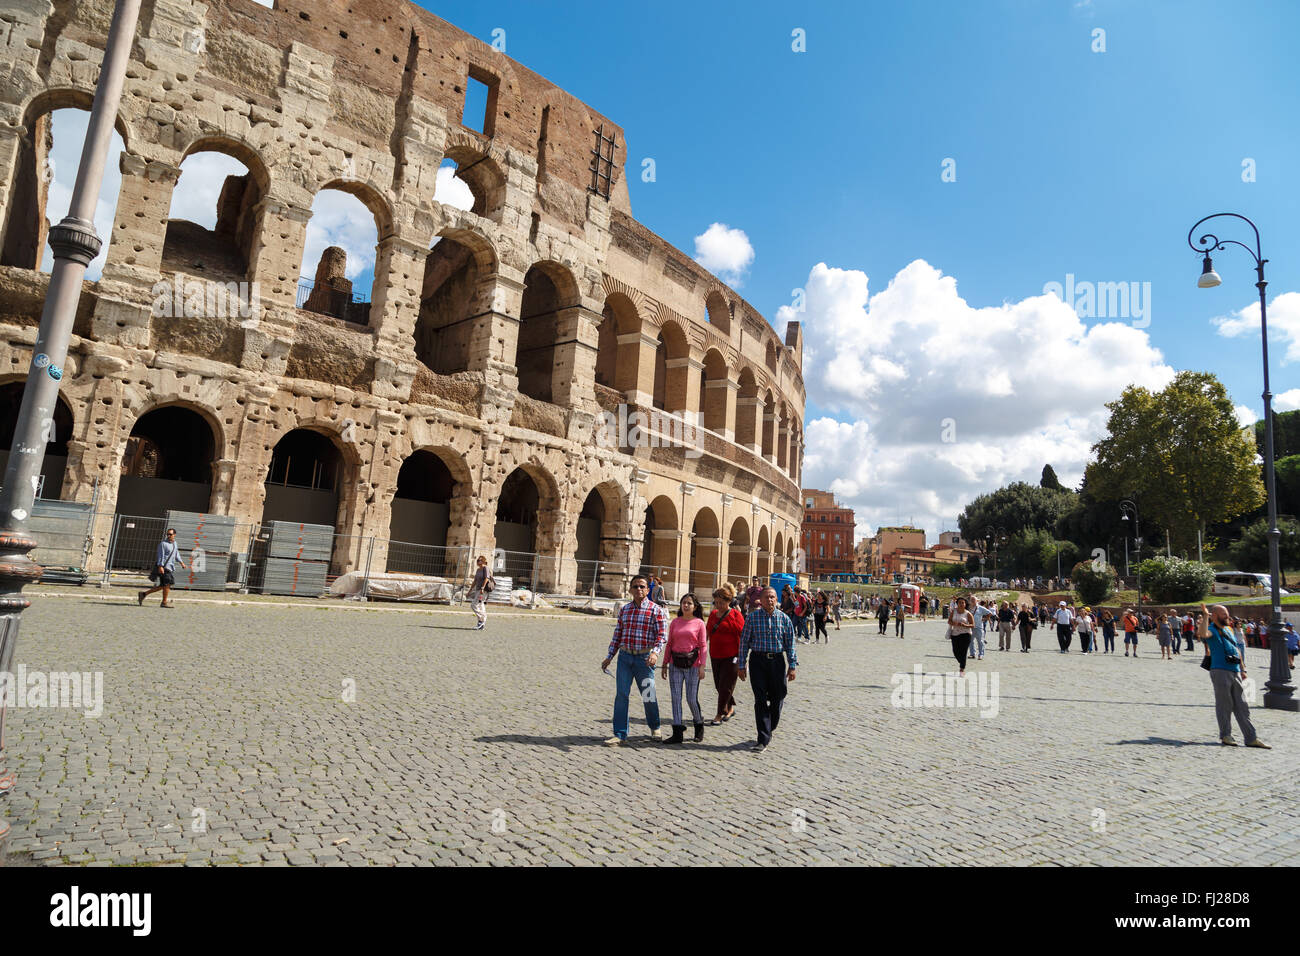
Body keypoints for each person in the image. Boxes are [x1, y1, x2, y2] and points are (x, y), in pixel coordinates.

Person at [600, 576, 668, 746]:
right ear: (630, 589)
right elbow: (618, 634)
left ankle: (655, 726)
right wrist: (610, 656)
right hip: (625, 658)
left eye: (642, 586)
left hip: (644, 659)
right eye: (635, 586)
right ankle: (620, 733)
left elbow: (662, 636)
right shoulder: (625, 610)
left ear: (648, 589)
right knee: (622, 695)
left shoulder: (656, 610)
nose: (639, 589)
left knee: (648, 694)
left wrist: (655, 653)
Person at [1198, 602, 1269, 748]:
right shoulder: (1212, 629)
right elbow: (1202, 634)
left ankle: (1251, 738)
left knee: (1242, 705)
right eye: (1224, 614)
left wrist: (1243, 670)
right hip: (1220, 670)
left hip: (1235, 670)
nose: (1228, 616)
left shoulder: (1229, 629)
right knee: (1224, 704)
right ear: (1215, 615)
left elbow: (1236, 650)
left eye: (1227, 613)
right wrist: (1205, 616)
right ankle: (1226, 735)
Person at [737, 586, 798, 753]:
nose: (770, 600)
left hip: (777, 662)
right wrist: (742, 664)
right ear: (760, 600)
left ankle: (770, 725)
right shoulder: (752, 618)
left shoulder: (784, 619)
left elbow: (790, 644)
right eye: (766, 597)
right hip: (758, 662)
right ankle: (762, 738)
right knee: (760, 699)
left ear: (776, 599)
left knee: (779, 696)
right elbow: (744, 642)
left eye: (772, 597)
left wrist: (792, 666)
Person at [661, 593, 708, 744]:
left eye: (689, 603)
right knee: (675, 697)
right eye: (683, 603)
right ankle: (677, 730)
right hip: (675, 664)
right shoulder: (675, 622)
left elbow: (703, 646)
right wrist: (665, 663)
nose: (685, 605)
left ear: (695, 607)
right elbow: (669, 644)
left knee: (691, 698)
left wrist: (702, 666)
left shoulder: (699, 623)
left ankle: (698, 723)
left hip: (693, 665)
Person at [707, 586, 745, 724]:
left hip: (732, 656)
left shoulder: (736, 615)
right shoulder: (712, 615)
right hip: (715, 655)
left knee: (726, 685)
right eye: (716, 602)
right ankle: (730, 708)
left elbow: (743, 636)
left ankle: (719, 714)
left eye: (721, 603)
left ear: (728, 601)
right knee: (719, 685)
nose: (719, 605)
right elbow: (708, 632)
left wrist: (743, 658)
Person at [138, 528, 186, 608]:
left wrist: (182, 563)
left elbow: (176, 554)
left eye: (170, 534)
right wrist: (160, 566)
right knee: (167, 584)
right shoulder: (163, 544)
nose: (168, 535)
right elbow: (160, 555)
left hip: (170, 567)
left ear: (174, 535)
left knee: (164, 585)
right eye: (167, 534)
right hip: (164, 567)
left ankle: (143, 594)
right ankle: (164, 602)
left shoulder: (175, 543)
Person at [948, 596, 975, 677]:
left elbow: (973, 625)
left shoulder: (968, 613)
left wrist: (965, 625)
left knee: (963, 652)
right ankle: (962, 662)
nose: (961, 604)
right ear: (957, 604)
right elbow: (949, 621)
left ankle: (962, 668)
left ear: (965, 604)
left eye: (962, 603)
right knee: (955, 651)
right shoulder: (954, 611)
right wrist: (953, 623)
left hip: (966, 634)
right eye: (959, 602)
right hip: (955, 634)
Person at [468, 554, 495, 630]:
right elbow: (475, 580)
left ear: (483, 561)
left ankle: (482, 619)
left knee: (473, 605)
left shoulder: (485, 568)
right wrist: (470, 590)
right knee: (480, 605)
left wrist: (482, 588)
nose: (479, 561)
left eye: (480, 560)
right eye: (478, 560)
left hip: (483, 590)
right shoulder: (478, 570)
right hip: (477, 589)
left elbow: (487, 578)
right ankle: (481, 624)